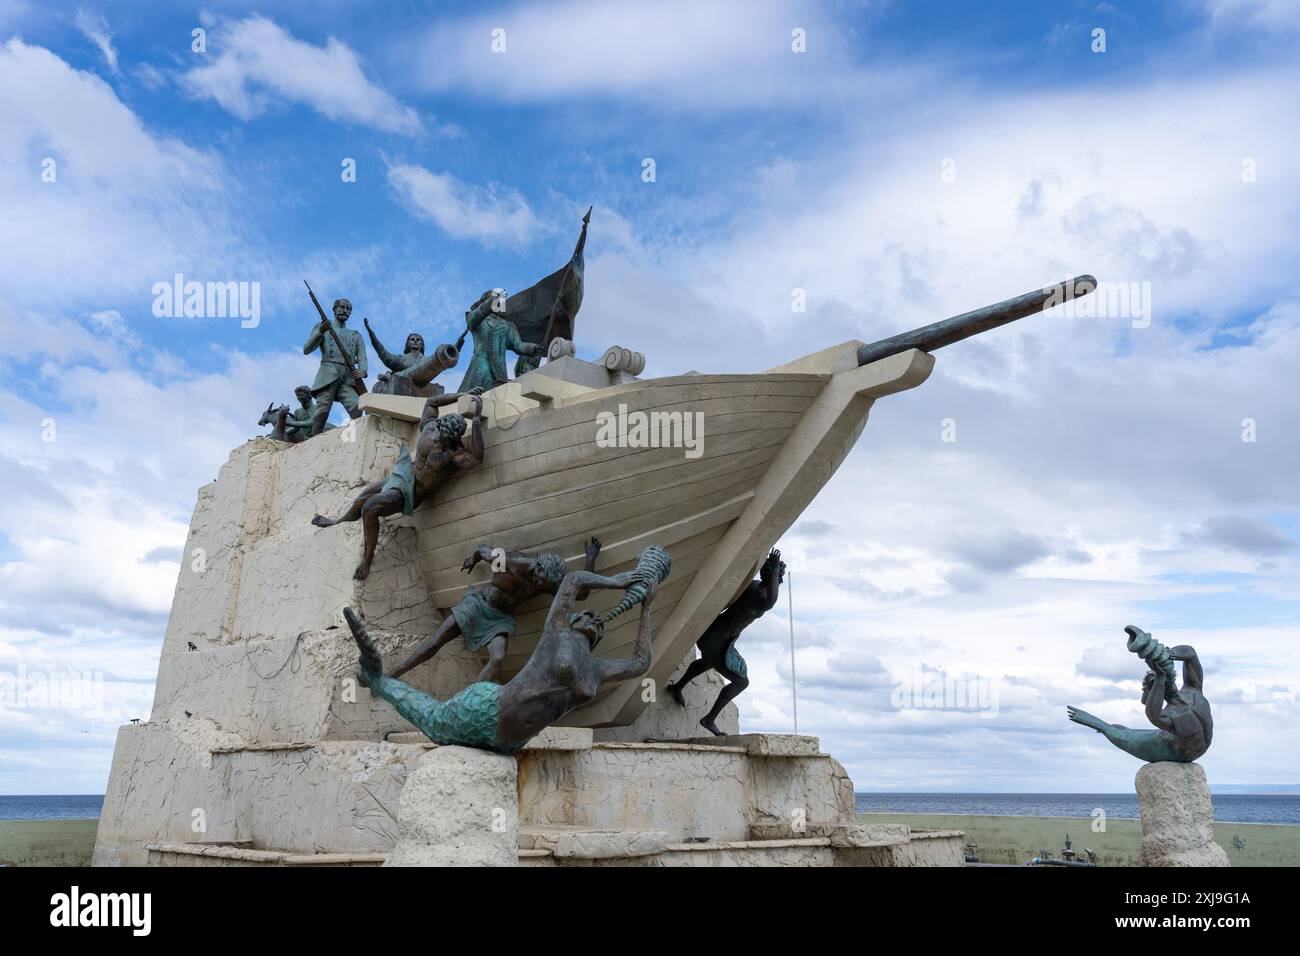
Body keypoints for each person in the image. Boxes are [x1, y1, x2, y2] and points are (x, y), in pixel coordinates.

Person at [343, 559, 658, 754]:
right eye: (588, 615)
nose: (595, 621)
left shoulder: (597, 669)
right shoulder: (557, 632)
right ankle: (376, 678)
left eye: (598, 625)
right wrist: (618, 581)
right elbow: (573, 580)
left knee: (436, 720)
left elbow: (640, 663)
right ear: (574, 620)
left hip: (509, 741)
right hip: (488, 709)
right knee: (433, 720)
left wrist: (646, 607)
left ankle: (377, 677)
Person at [311, 389, 484, 580]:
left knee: (370, 508)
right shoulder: (430, 429)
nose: (440, 439)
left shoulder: (452, 456)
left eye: (445, 439)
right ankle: (338, 521)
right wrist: (461, 395)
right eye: (440, 434)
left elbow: (477, 456)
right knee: (363, 496)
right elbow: (431, 402)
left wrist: (476, 420)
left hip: (411, 493)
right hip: (404, 473)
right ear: (440, 425)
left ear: (454, 439)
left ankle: (367, 560)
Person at [388, 537, 603, 683]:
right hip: (479, 605)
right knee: (437, 641)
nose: (539, 584)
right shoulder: (510, 561)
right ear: (538, 566)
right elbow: (483, 549)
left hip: (500, 619)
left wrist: (591, 558)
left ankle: (470, 701)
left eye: (543, 584)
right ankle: (395, 673)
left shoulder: (547, 580)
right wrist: (472, 559)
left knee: (498, 659)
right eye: (539, 578)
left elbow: (581, 592)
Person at [666, 548, 785, 735]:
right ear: (776, 580)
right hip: (718, 640)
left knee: (707, 662)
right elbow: (772, 598)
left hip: (712, 633)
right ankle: (709, 719)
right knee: (741, 682)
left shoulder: (753, 586)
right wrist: (776, 567)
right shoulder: (763, 599)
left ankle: (677, 687)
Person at [1067, 626, 1213, 762]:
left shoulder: (1192, 691)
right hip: (1180, 752)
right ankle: (1099, 724)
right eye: (1156, 684)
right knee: (1119, 733)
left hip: (1191, 751)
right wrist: (1159, 679)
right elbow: (1153, 714)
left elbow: (1191, 653)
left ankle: (1105, 727)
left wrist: (1168, 654)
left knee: (1120, 732)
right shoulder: (1169, 716)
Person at [457, 289, 542, 393]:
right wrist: (490, 302)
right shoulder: (477, 319)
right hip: (480, 368)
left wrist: (533, 348)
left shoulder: (508, 326)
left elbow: (518, 345)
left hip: (499, 373)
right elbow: (472, 320)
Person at [304, 297, 367, 434]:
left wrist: (363, 371)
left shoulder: (355, 335)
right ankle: (314, 438)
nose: (345, 311)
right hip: (328, 373)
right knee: (322, 410)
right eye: (342, 307)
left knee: (357, 406)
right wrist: (321, 331)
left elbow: (362, 356)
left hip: (347, 377)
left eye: (348, 309)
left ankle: (355, 436)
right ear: (334, 310)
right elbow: (307, 349)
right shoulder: (322, 327)